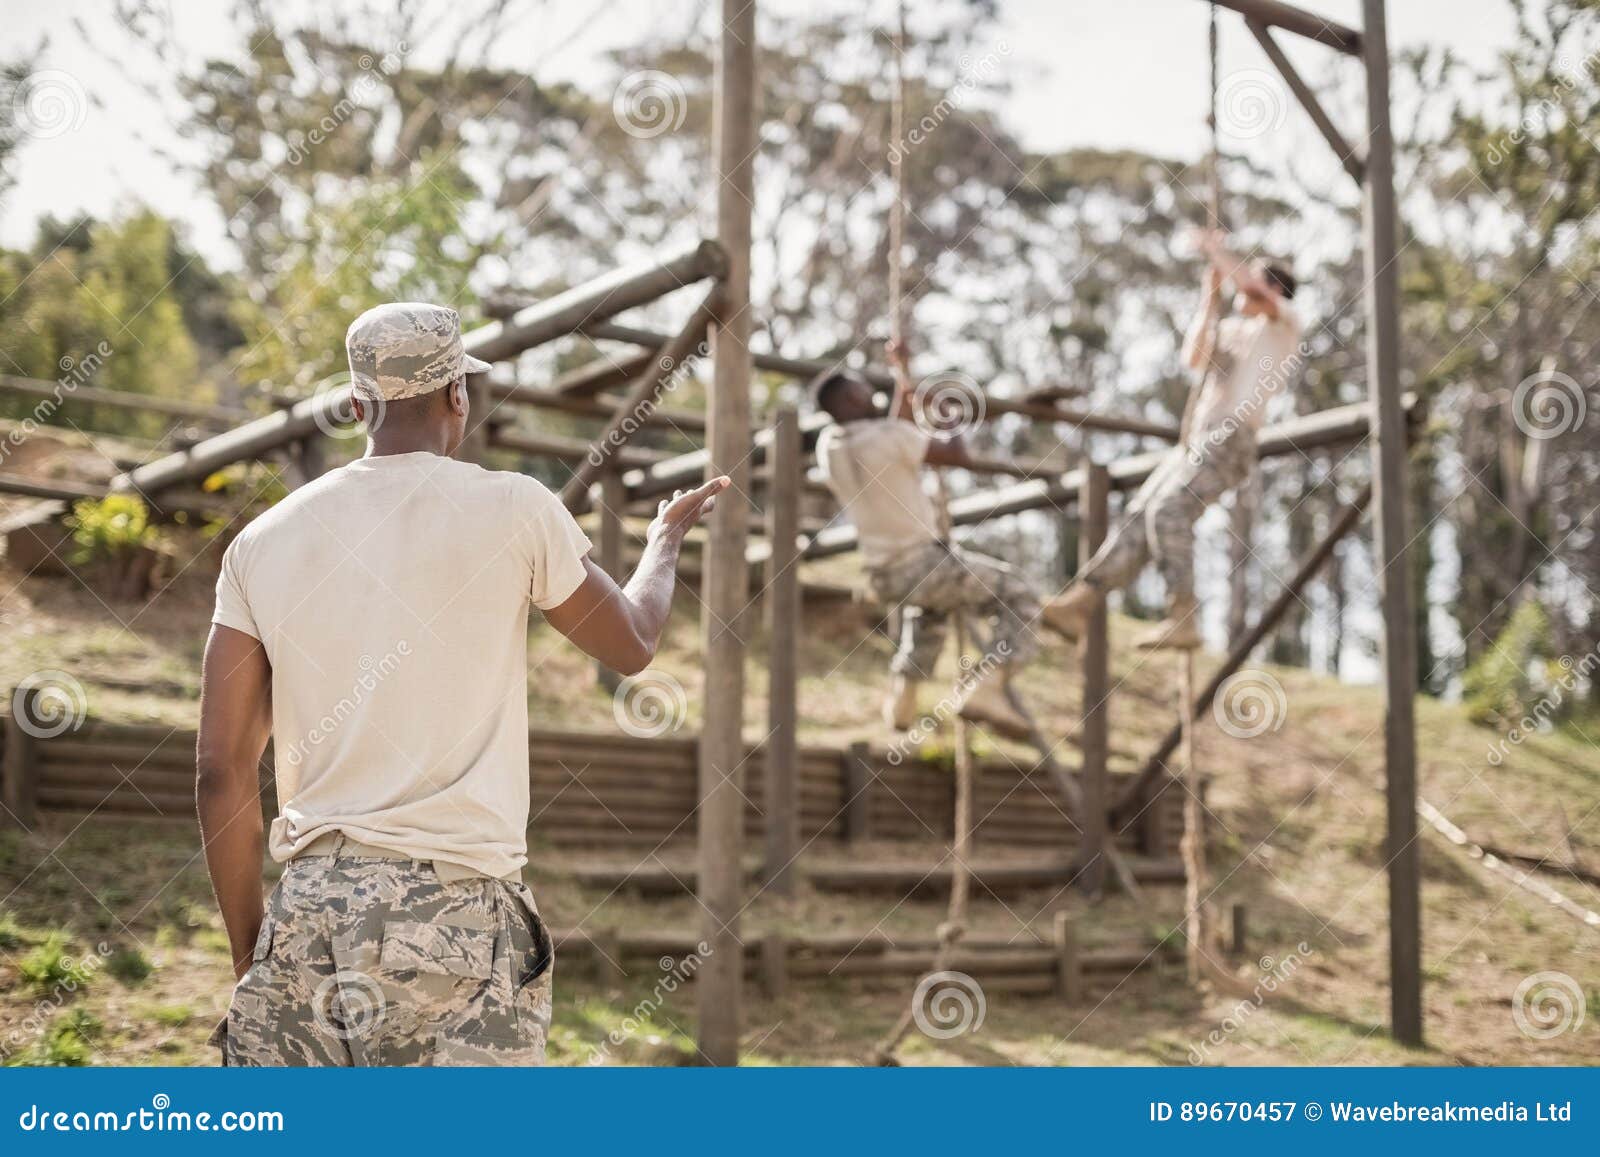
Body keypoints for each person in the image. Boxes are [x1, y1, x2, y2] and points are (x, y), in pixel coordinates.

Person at [197, 302, 728, 1066]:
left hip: (307, 912)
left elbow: (221, 770)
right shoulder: (514, 507)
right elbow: (635, 641)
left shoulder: (260, 542)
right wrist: (664, 544)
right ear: (457, 396)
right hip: (457, 918)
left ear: (356, 406)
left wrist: (255, 949)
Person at [809, 343, 1079, 739]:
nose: (872, 393)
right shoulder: (889, 437)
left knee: (931, 609)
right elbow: (956, 455)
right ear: (852, 398)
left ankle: (903, 698)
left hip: (885, 573)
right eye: (864, 389)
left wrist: (904, 371)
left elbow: (892, 429)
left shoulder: (830, 446)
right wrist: (947, 417)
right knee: (1020, 593)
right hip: (921, 561)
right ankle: (988, 687)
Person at [1050, 232, 1302, 650]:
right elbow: (1194, 358)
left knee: (1169, 511)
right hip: (1199, 438)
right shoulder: (1234, 328)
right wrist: (1209, 298)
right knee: (1140, 514)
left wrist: (1214, 251)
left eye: (1254, 280)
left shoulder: (1283, 324)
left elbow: (1253, 289)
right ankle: (1082, 602)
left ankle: (1182, 615)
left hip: (1230, 438)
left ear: (1275, 288)